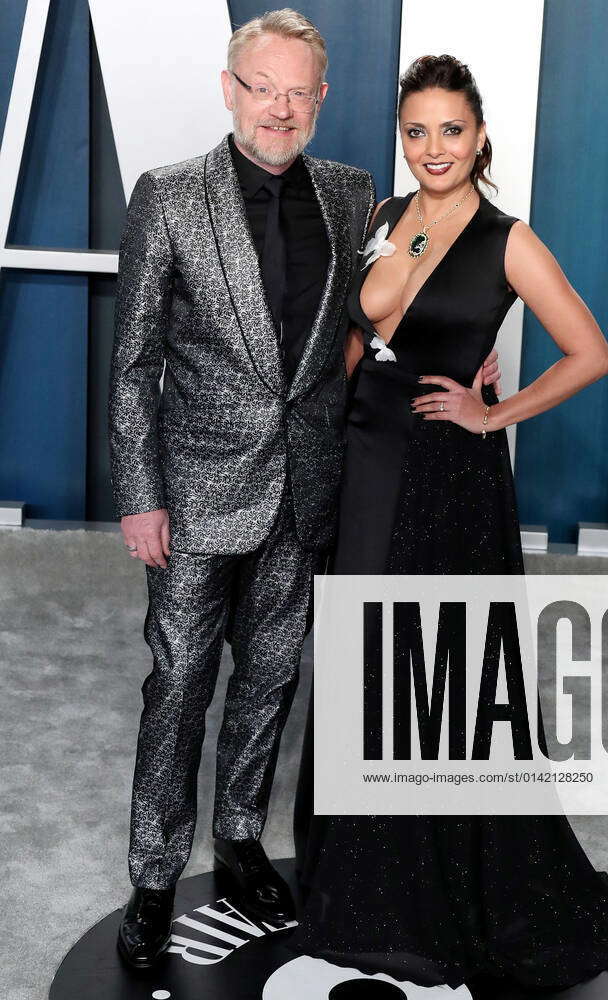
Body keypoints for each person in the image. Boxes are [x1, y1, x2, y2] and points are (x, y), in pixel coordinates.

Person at [107, 8, 505, 971]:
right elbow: (134, 364)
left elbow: (384, 311)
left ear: (320, 101)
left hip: (308, 484)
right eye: (262, 88)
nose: (278, 109)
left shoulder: (352, 193)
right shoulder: (168, 195)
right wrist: (140, 494)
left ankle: (239, 839)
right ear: (230, 89)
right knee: (179, 684)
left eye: (298, 93)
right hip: (196, 492)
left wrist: (466, 349)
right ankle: (155, 876)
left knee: (271, 678)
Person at [289, 54, 608, 992]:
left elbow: (590, 352)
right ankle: (356, 873)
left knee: (431, 673)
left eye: (451, 130)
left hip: (444, 476)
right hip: (362, 462)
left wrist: (494, 412)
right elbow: (354, 339)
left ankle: (423, 887)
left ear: (480, 135)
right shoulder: (382, 217)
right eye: (416, 131)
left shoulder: (507, 239)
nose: (434, 148)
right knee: (359, 659)